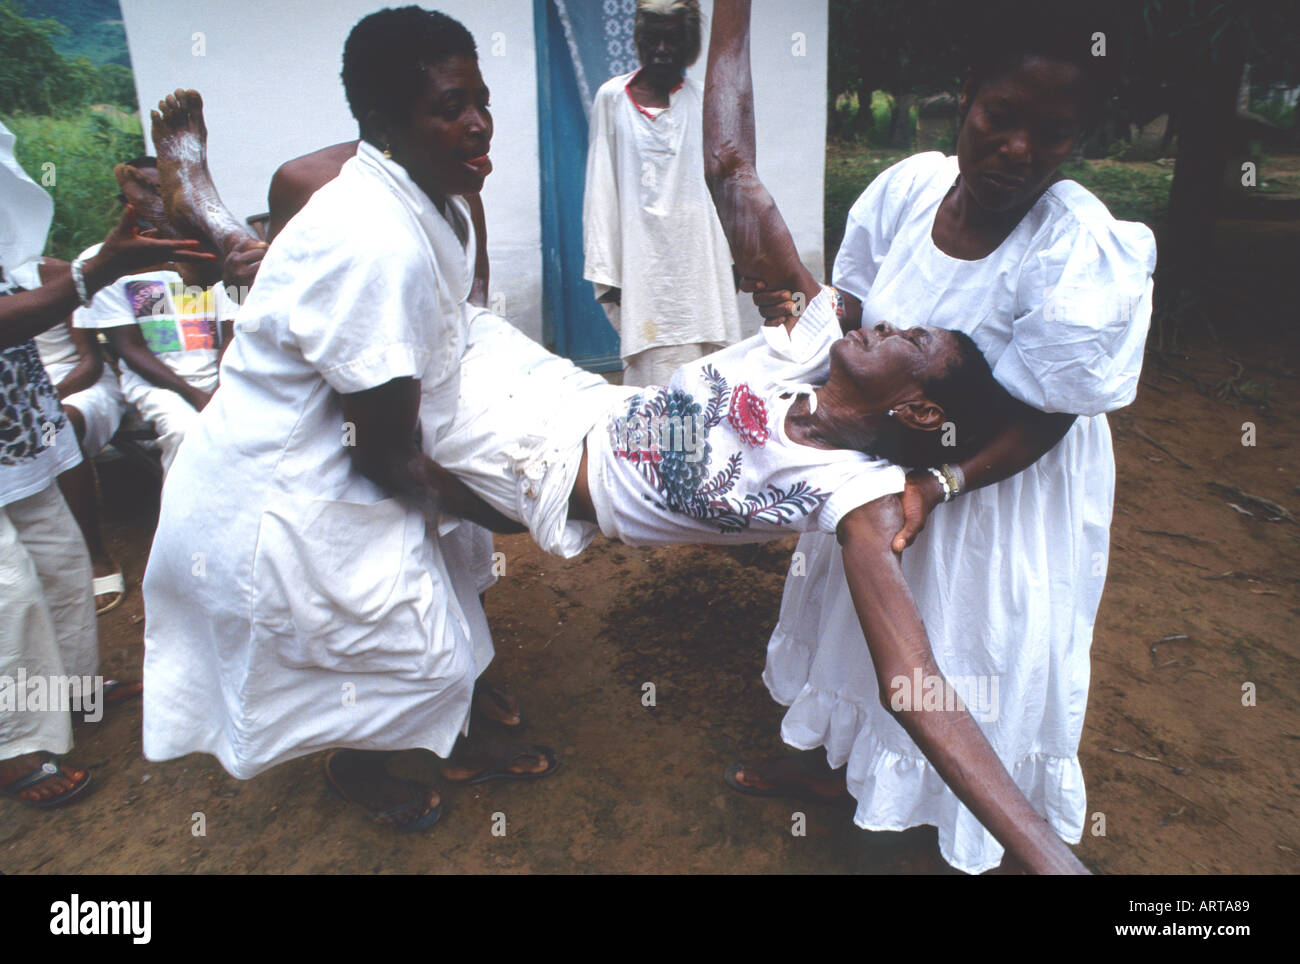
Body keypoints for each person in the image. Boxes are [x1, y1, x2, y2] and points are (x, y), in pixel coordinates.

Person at [730, 2, 1157, 874]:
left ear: (1081, 140)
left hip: (1000, 483)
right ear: (966, 97)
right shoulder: (909, 187)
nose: (1018, 149)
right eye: (1002, 117)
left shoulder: (1080, 249)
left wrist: (947, 481)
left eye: (1053, 133)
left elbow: (1048, 417)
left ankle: (956, 822)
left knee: (962, 640)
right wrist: (808, 320)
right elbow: (855, 300)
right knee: (864, 621)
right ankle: (837, 769)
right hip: (895, 456)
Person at [139, 8, 553, 831]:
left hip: (351, 441)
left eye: (481, 98)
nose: (477, 123)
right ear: (383, 122)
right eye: (449, 107)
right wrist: (510, 511)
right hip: (283, 477)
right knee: (388, 641)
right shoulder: (373, 237)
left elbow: (449, 335)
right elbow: (383, 457)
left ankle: (450, 732)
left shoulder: (434, 198)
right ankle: (357, 762)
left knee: (446, 609)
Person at [0, 119, 212, 808]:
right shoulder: (92, 264)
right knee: (8, 597)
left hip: (18, 430)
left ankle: (67, 692)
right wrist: (101, 269)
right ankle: (13, 746)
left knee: (60, 568)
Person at [582, 0, 741, 386]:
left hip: (701, 266)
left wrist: (735, 257)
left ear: (689, 45)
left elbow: (726, 185)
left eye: (673, 40)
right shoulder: (612, 99)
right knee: (654, 393)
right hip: (644, 271)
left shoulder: (705, 100)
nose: (662, 50)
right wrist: (608, 270)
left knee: (709, 385)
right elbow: (600, 188)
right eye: (653, 39)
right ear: (638, 41)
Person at [72, 157, 236, 475]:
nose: (158, 204)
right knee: (185, 433)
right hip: (156, 385)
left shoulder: (212, 253)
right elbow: (130, 349)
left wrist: (222, 389)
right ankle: (185, 522)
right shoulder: (101, 261)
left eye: (165, 194)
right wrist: (195, 395)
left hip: (222, 377)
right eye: (147, 195)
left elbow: (231, 332)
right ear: (127, 203)